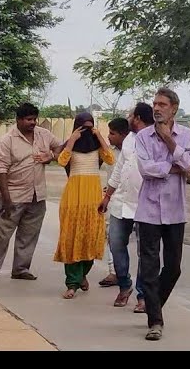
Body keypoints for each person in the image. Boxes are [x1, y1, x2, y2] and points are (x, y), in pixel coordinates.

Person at [133, 88, 190, 341]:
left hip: (175, 211)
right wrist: (176, 166)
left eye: (162, 104)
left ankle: (153, 304)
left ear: (174, 109)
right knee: (149, 267)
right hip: (148, 211)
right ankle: (155, 321)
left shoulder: (187, 135)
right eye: (154, 103)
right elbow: (147, 169)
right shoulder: (142, 137)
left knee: (173, 267)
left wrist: (169, 140)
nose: (157, 108)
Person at [0, 102, 63, 282]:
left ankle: (21, 269)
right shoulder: (7, 141)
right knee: (0, 234)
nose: (32, 123)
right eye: (28, 119)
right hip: (13, 195)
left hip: (37, 195)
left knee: (29, 234)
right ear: (18, 120)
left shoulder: (44, 135)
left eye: (34, 119)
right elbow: (1, 172)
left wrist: (51, 156)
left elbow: (60, 147)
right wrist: (7, 201)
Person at [54, 112, 115, 298]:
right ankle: (72, 283)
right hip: (73, 196)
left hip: (93, 198)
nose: (86, 131)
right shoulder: (69, 145)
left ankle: (82, 275)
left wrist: (99, 136)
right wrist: (71, 141)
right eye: (83, 127)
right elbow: (61, 161)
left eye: (90, 127)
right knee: (72, 237)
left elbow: (111, 159)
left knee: (90, 237)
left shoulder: (97, 147)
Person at [98, 110, 147, 310]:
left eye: (131, 115)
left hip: (145, 204)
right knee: (116, 244)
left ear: (139, 118)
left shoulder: (155, 139)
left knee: (146, 252)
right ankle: (125, 284)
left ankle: (143, 295)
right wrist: (107, 196)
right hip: (121, 201)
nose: (128, 118)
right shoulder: (128, 140)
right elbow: (119, 170)